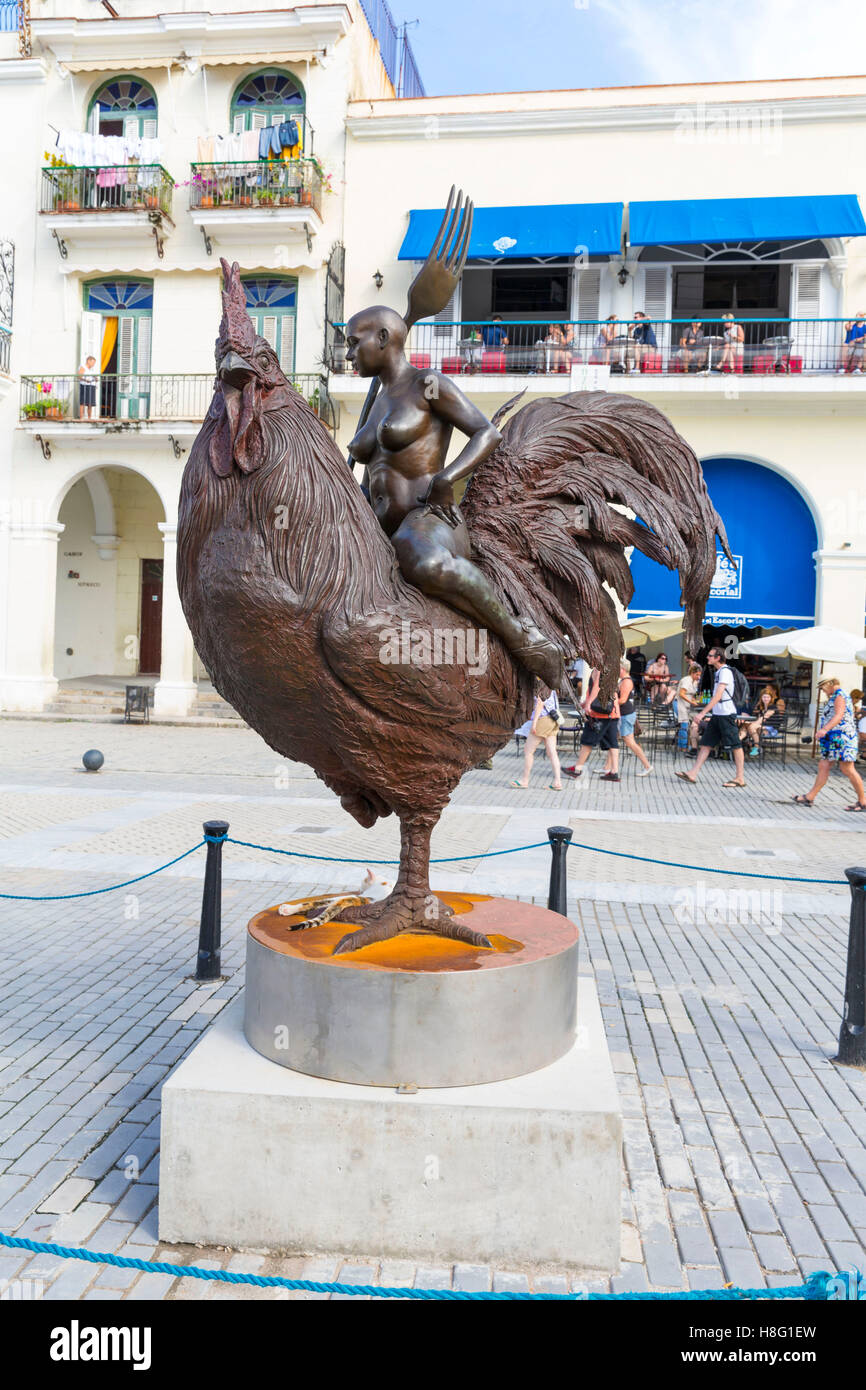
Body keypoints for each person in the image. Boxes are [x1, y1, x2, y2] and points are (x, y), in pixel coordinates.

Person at [345, 305, 562, 686]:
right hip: (378, 524)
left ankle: (519, 634)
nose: (348, 354)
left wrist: (447, 479)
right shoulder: (377, 399)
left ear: (382, 339)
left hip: (429, 517)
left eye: (353, 343)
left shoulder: (427, 383)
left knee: (424, 561)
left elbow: (486, 433)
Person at [675, 646, 747, 788]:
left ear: (718, 658)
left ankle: (740, 778)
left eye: (710, 655)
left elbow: (718, 696)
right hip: (718, 714)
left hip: (726, 714)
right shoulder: (719, 672)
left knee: (735, 745)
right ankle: (693, 773)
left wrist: (702, 713)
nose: (707, 657)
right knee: (706, 744)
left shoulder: (725, 672)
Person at [793, 676, 866, 811]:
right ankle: (810, 796)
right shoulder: (836, 696)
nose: (822, 691)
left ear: (830, 684)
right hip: (834, 737)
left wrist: (824, 729)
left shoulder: (840, 696)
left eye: (822, 687)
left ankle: (863, 801)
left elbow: (838, 716)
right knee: (824, 764)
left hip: (842, 737)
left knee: (847, 768)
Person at [563, 666, 620, 781]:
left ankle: (577, 769)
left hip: (599, 712)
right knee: (612, 742)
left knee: (587, 741)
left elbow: (597, 687)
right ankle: (614, 771)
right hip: (612, 711)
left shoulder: (600, 667)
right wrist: (585, 703)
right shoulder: (610, 666)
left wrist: (588, 704)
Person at [511, 683, 562, 791]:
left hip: (542, 720)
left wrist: (534, 724)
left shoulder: (541, 686)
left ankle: (525, 780)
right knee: (552, 753)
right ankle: (557, 781)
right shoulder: (551, 686)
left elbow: (539, 704)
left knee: (528, 751)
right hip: (553, 721)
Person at [617, 657, 653, 776]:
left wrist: (610, 700)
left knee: (630, 743)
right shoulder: (623, 680)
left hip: (626, 714)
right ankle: (608, 767)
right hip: (624, 714)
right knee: (613, 740)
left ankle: (647, 765)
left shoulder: (627, 681)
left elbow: (622, 700)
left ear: (622, 668)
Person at [740, 684, 786, 757]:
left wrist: (750, 723)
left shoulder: (772, 707)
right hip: (761, 727)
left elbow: (761, 720)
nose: (766, 699)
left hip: (771, 729)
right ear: (761, 698)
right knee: (745, 726)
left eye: (768, 697)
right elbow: (754, 716)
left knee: (751, 726)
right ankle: (738, 741)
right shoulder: (761, 708)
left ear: (771, 698)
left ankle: (756, 747)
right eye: (764, 697)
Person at [676, 661, 703, 747]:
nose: (698, 677)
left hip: (688, 705)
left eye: (699, 675)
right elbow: (681, 693)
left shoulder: (695, 682)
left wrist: (694, 699)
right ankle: (682, 746)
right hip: (681, 703)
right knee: (684, 724)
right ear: (692, 673)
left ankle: (690, 744)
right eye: (697, 675)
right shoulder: (687, 680)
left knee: (692, 722)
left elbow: (691, 693)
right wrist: (691, 702)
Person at [78, 354, 98, 420]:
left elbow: (93, 376)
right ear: (88, 361)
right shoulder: (83, 367)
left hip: (91, 386)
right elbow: (79, 376)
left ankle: (89, 418)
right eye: (93, 363)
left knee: (90, 403)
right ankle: (81, 417)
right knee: (83, 402)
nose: (93, 364)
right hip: (84, 385)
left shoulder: (91, 369)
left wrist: (95, 378)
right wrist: (86, 380)